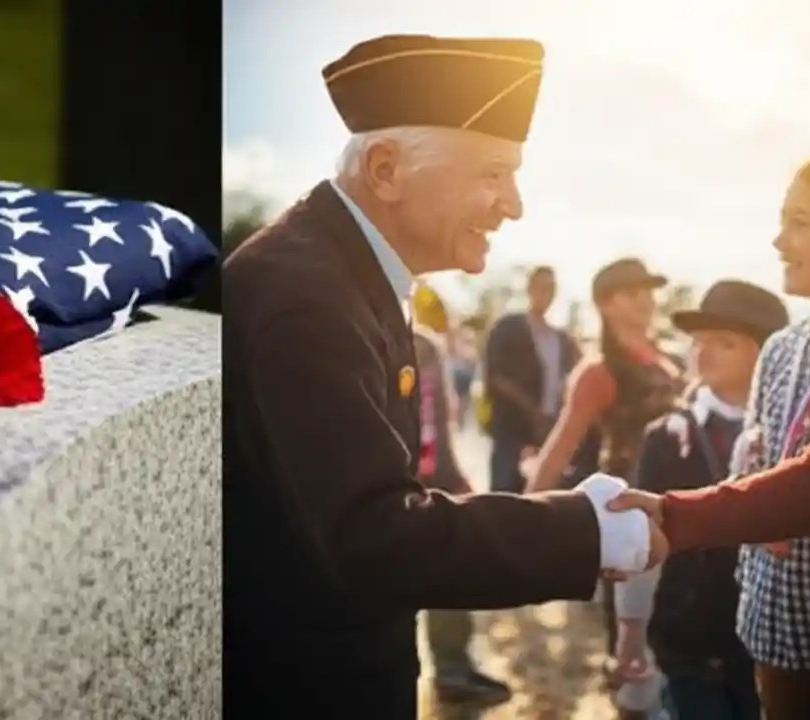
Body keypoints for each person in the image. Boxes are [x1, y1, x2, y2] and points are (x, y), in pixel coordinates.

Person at [223, 34, 663, 718]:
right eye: (492, 173)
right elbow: (373, 539)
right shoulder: (306, 299)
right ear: (387, 169)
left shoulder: (335, 271)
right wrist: (588, 529)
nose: (512, 204)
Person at [608, 148, 810, 719]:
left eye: (800, 223)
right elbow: (758, 470)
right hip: (769, 625)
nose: (778, 242)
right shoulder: (780, 348)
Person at [612, 280, 788, 720]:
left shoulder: (793, 437)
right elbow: (641, 543)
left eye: (724, 343)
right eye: (698, 341)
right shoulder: (668, 437)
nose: (703, 352)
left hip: (773, 643)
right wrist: (631, 628)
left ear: (769, 355)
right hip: (686, 639)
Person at [521, 257, 688, 669]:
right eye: (633, 292)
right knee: (632, 633)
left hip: (679, 505)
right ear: (606, 304)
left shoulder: (670, 361)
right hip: (629, 510)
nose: (646, 300)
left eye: (649, 291)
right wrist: (525, 515)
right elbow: (562, 445)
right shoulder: (597, 371)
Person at [409, 292, 511, 707]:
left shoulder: (424, 347)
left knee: (448, 575)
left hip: (432, 481)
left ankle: (452, 670)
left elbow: (435, 424)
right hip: (399, 485)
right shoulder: (367, 338)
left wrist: (455, 475)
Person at [483, 265, 581, 492]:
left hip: (548, 430)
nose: (547, 293)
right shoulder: (508, 328)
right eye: (542, 286)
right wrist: (532, 411)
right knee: (504, 495)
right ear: (530, 289)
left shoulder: (560, 337)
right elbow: (496, 377)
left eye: (552, 287)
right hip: (512, 429)